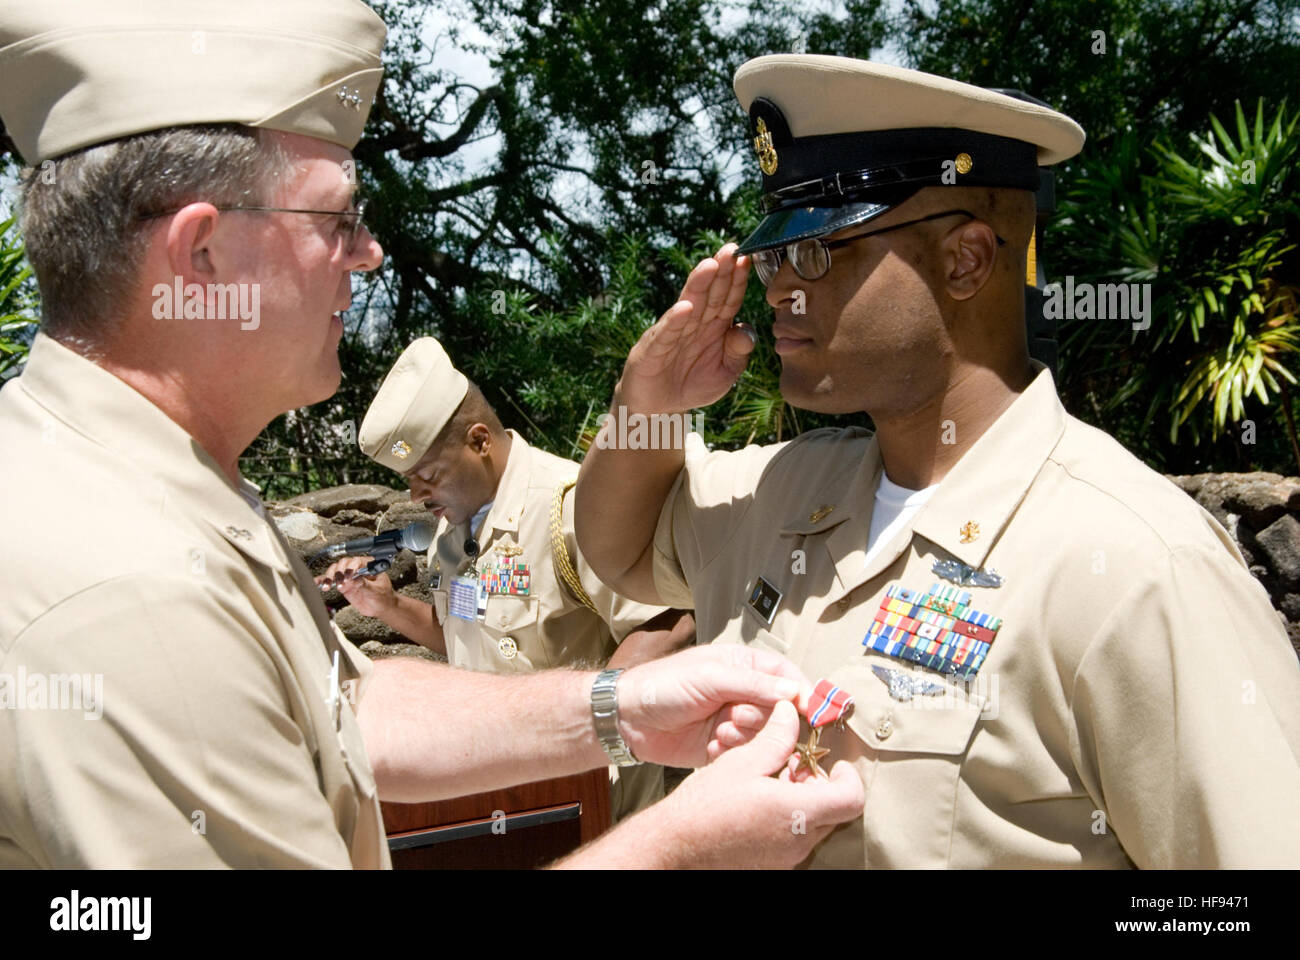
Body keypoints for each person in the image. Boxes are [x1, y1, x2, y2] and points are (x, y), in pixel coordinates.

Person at [0, 3, 863, 869]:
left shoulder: (135, 487)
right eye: (338, 221)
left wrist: (617, 707)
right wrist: (689, 848)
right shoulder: (135, 590)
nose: (369, 253)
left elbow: (348, 711)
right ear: (204, 254)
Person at [575, 54, 1300, 868]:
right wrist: (647, 405)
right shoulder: (791, 487)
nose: (779, 289)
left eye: (817, 250)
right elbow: (621, 548)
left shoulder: (1135, 565)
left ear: (966, 259)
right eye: (777, 255)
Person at [317, 336, 696, 820]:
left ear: (479, 442)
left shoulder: (570, 507)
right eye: (410, 478)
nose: (416, 494)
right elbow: (461, 633)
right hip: (502, 795)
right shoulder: (450, 533)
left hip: (591, 803)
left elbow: (668, 622)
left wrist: (584, 724)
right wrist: (387, 606)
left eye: (428, 473)